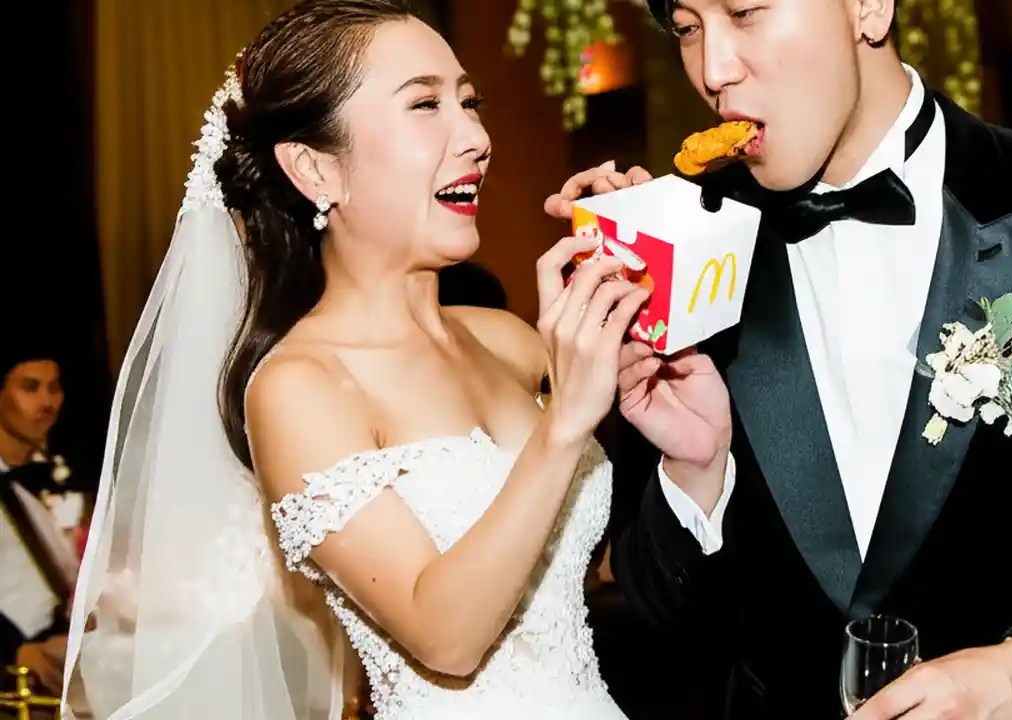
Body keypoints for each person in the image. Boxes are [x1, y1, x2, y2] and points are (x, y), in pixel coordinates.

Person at [543, 1, 1012, 719]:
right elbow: (667, 625)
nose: (711, 69)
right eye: (689, 28)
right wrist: (693, 473)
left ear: (870, 6)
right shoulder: (685, 244)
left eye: (747, 12)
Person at [61, 1, 647, 718]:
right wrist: (564, 425)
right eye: (425, 105)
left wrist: (654, 286)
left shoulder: (508, 339)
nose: (475, 136)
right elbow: (446, 637)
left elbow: (621, 568)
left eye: (470, 101)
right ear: (314, 168)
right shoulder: (297, 388)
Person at [1, 343, 83, 698]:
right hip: (18, 661)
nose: (47, 402)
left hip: (66, 640)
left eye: (55, 388)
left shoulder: (40, 481)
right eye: (30, 387)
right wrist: (10, 648)